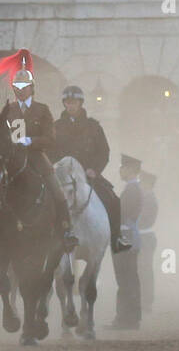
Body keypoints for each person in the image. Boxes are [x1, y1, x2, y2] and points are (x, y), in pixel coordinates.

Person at [0, 56, 76, 253]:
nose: (21, 89)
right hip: (12, 159)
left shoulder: (42, 110)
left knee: (56, 190)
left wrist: (31, 141)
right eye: (17, 85)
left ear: (32, 88)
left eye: (24, 85)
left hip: (36, 156)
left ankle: (66, 232)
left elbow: (51, 139)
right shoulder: (8, 111)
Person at [54, 85, 131, 253]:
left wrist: (94, 170)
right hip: (63, 177)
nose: (70, 106)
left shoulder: (94, 127)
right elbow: (50, 152)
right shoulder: (56, 127)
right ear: (64, 104)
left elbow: (104, 152)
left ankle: (116, 238)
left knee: (113, 199)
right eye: (67, 102)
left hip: (88, 175)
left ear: (80, 103)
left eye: (74, 102)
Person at [109, 154, 144, 330]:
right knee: (129, 279)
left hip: (126, 238)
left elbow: (122, 215)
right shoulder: (133, 189)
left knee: (125, 280)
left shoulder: (131, 190)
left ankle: (125, 319)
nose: (120, 170)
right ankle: (131, 318)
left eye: (123, 167)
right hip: (130, 238)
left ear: (130, 170)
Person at [137, 171, 158, 314]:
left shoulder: (149, 197)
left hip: (145, 237)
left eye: (142, 182)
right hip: (143, 237)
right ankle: (144, 301)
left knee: (144, 270)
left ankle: (147, 302)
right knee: (143, 270)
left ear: (148, 183)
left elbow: (144, 219)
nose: (140, 184)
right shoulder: (146, 197)